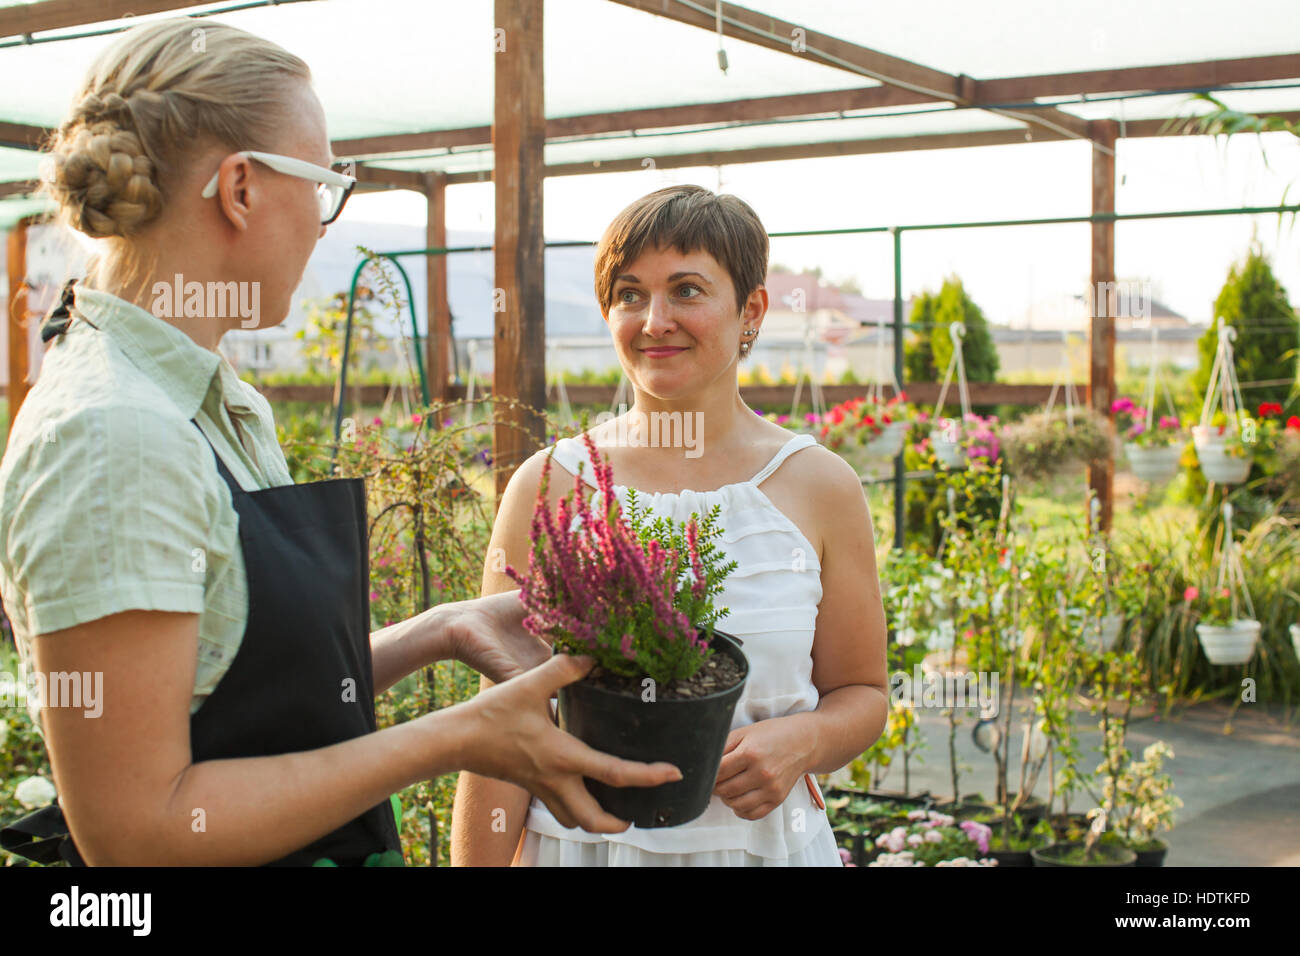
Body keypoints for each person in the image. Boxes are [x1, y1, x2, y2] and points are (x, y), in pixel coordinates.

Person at [0, 19, 682, 868]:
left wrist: (435, 629)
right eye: (323, 186)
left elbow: (228, 692)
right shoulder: (114, 436)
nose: (325, 223)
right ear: (241, 188)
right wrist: (453, 738)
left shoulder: (209, 400)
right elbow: (138, 834)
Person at [451, 185, 890, 866]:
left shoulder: (819, 485)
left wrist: (804, 740)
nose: (655, 320)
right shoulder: (550, 486)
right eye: (629, 295)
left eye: (687, 290)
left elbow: (861, 692)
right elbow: (500, 731)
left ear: (751, 311)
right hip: (584, 851)